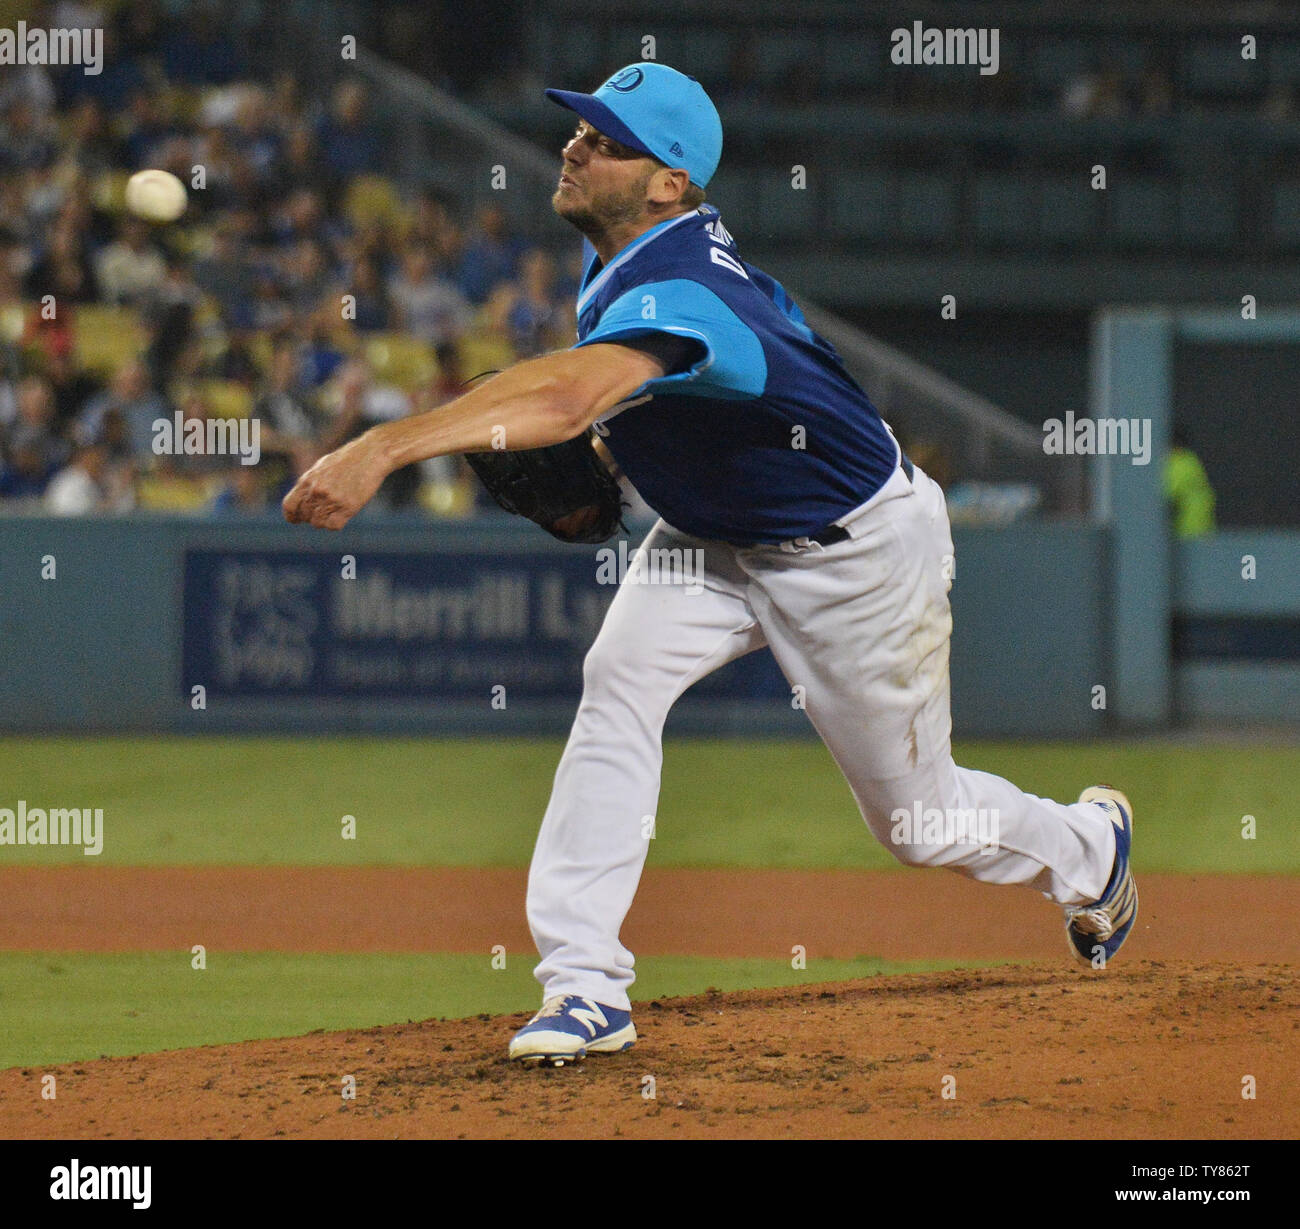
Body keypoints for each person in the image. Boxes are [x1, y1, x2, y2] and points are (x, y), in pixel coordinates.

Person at [282, 65, 1138, 1066]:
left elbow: (563, 401)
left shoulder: (683, 283)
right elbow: (648, 406)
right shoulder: (635, 258)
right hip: (712, 537)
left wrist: (382, 446)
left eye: (605, 140)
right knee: (617, 683)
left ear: (668, 182)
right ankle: (584, 984)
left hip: (851, 554)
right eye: (580, 130)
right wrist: (609, 459)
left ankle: (1089, 848)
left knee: (917, 820)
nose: (574, 146)